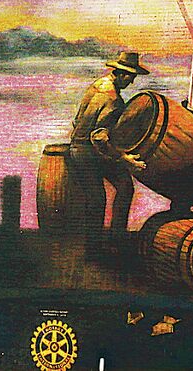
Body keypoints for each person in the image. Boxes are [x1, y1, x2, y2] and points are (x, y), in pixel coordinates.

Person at [68, 51, 149, 251]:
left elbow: (77, 120)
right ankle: (100, 248)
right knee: (100, 198)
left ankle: (111, 240)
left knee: (122, 186)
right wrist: (125, 158)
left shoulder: (97, 85)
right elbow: (99, 138)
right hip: (87, 153)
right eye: (131, 78)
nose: (131, 83)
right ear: (121, 73)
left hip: (79, 147)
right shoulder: (113, 100)